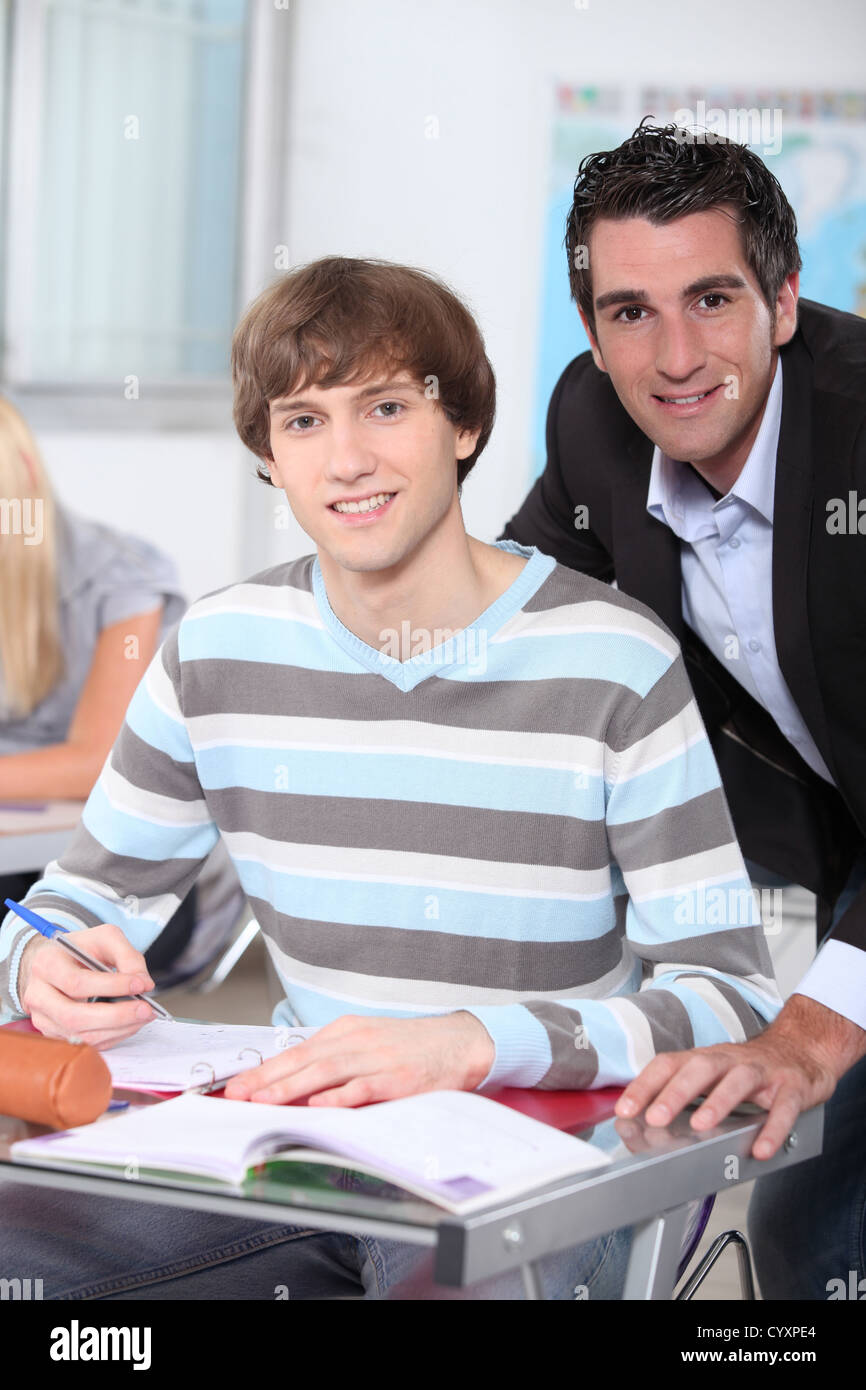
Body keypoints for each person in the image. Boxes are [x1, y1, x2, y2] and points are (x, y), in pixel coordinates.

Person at [0, 257, 780, 1300]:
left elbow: (727, 994)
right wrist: (36, 965)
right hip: (290, 1153)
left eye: (383, 407)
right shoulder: (218, 650)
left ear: (460, 426)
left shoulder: (612, 658)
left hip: (536, 1172)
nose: (348, 459)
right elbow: (79, 902)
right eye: (304, 421)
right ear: (269, 456)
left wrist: (470, 1043)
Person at [500, 120, 866, 1299]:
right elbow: (505, 626)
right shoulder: (589, 420)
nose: (672, 356)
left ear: (784, 298)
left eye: (711, 299)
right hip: (834, 857)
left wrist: (805, 1036)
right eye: (627, 311)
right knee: (811, 1241)